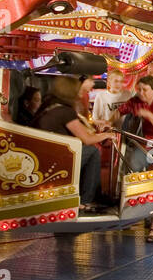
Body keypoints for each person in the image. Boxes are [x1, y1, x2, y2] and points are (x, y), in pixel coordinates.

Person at [33, 75, 110, 214]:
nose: (80, 91)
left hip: (43, 157)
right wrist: (107, 135)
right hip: (55, 161)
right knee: (92, 151)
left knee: (84, 150)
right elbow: (87, 138)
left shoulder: (49, 106)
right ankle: (87, 199)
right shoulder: (65, 111)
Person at [115, 76, 153, 241]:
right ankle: (130, 215)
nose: (141, 93)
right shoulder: (135, 101)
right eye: (139, 89)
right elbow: (119, 111)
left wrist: (148, 115)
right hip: (140, 145)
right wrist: (109, 122)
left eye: (144, 90)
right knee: (131, 175)